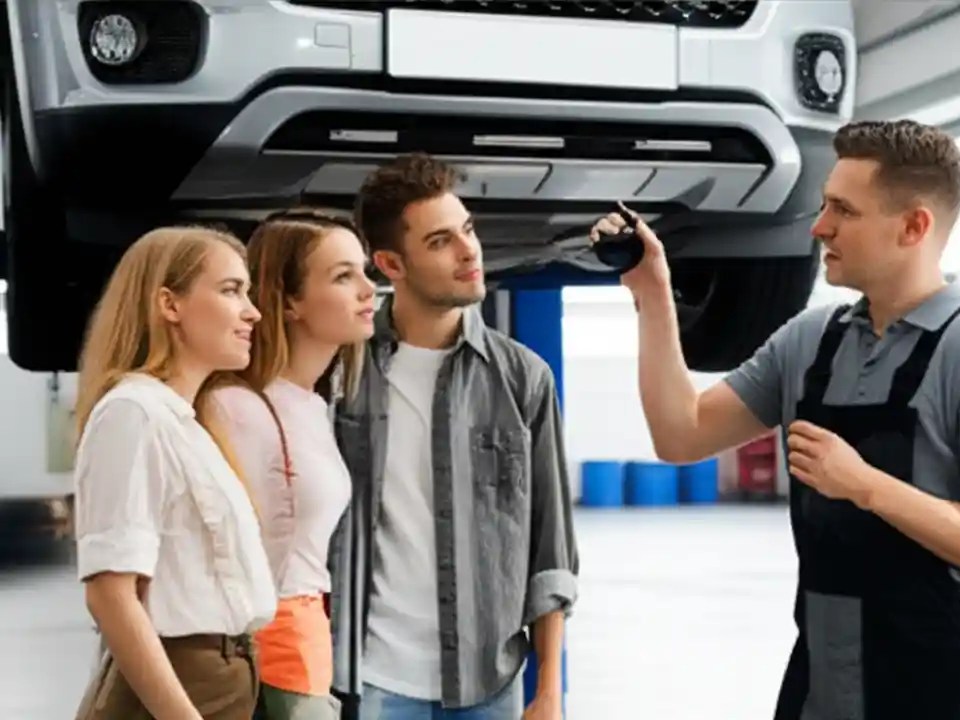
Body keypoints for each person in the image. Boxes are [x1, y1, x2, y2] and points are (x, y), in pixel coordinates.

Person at [593, 119, 960, 720]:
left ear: (914, 226)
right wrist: (652, 292)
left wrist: (866, 487)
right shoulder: (811, 341)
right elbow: (681, 434)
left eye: (843, 210)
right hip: (825, 680)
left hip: (941, 686)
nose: (819, 227)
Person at [327, 153, 579, 720]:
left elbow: (551, 546)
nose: (470, 251)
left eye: (468, 229)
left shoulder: (523, 378)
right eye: (440, 241)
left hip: (489, 682)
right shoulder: (344, 371)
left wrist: (549, 692)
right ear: (391, 262)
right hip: (375, 679)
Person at [70, 226, 278, 720]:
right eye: (231, 290)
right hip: (180, 685)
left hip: (223, 677)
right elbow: (111, 595)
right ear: (170, 304)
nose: (253, 311)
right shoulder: (134, 413)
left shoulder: (187, 423)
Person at [207, 209, 377, 719]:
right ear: (289, 302)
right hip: (270, 663)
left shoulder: (312, 405)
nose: (369, 290)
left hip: (306, 654)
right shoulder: (236, 409)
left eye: (364, 271)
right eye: (344, 276)